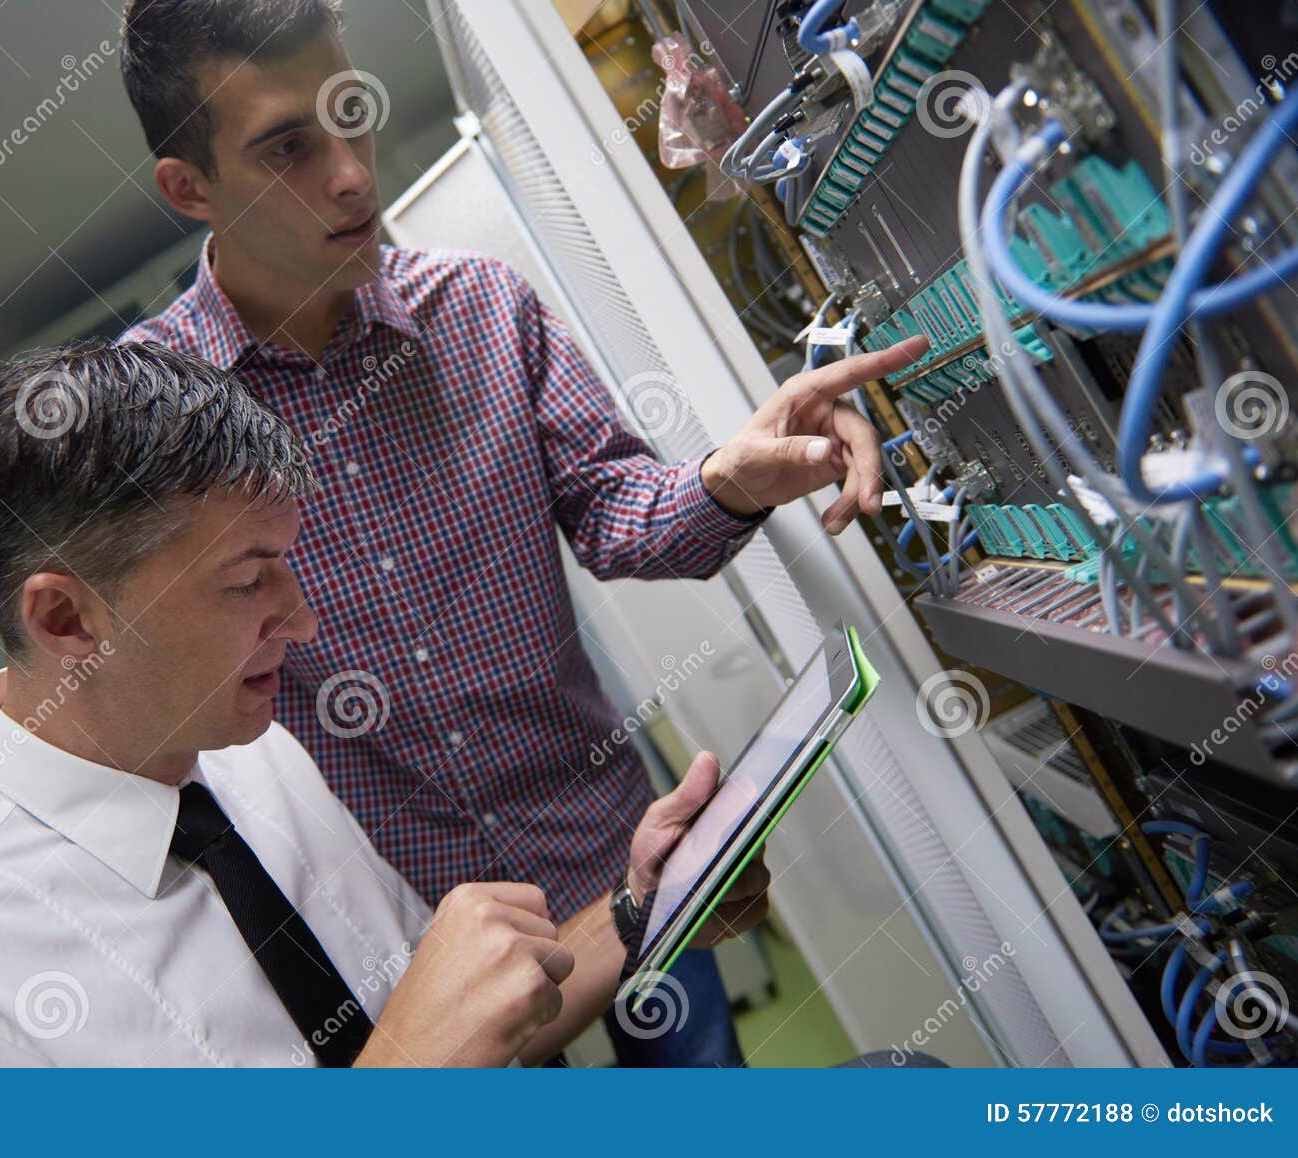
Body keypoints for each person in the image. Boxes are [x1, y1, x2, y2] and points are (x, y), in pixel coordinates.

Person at [113, 0, 927, 1065]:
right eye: (286, 148)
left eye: (347, 116)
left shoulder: (486, 311)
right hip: (410, 961)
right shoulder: (151, 425)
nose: (351, 174)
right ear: (190, 188)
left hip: (616, 870)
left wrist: (732, 478)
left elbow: (616, 516)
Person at [0, 341, 770, 1068]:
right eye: (248, 581)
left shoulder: (251, 751)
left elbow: (458, 1024)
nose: (299, 623)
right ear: (68, 619)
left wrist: (646, 910)